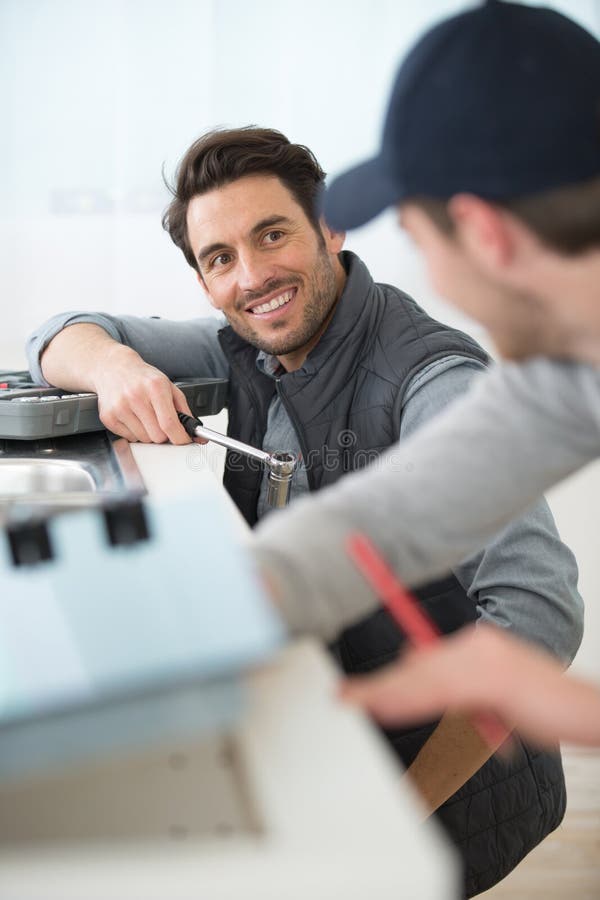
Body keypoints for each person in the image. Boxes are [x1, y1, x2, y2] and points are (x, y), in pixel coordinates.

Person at [27, 127, 581, 896]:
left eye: (272, 234)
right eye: (220, 258)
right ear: (204, 281)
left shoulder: (436, 379)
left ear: (330, 227)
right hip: (335, 722)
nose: (252, 276)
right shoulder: (245, 346)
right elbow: (59, 336)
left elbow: (537, 613)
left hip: (444, 780)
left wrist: (397, 813)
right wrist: (116, 367)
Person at [241, 1, 600, 748]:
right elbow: (394, 515)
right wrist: (227, 597)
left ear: (485, 233)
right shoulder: (568, 369)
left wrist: (572, 707)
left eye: (412, 236)